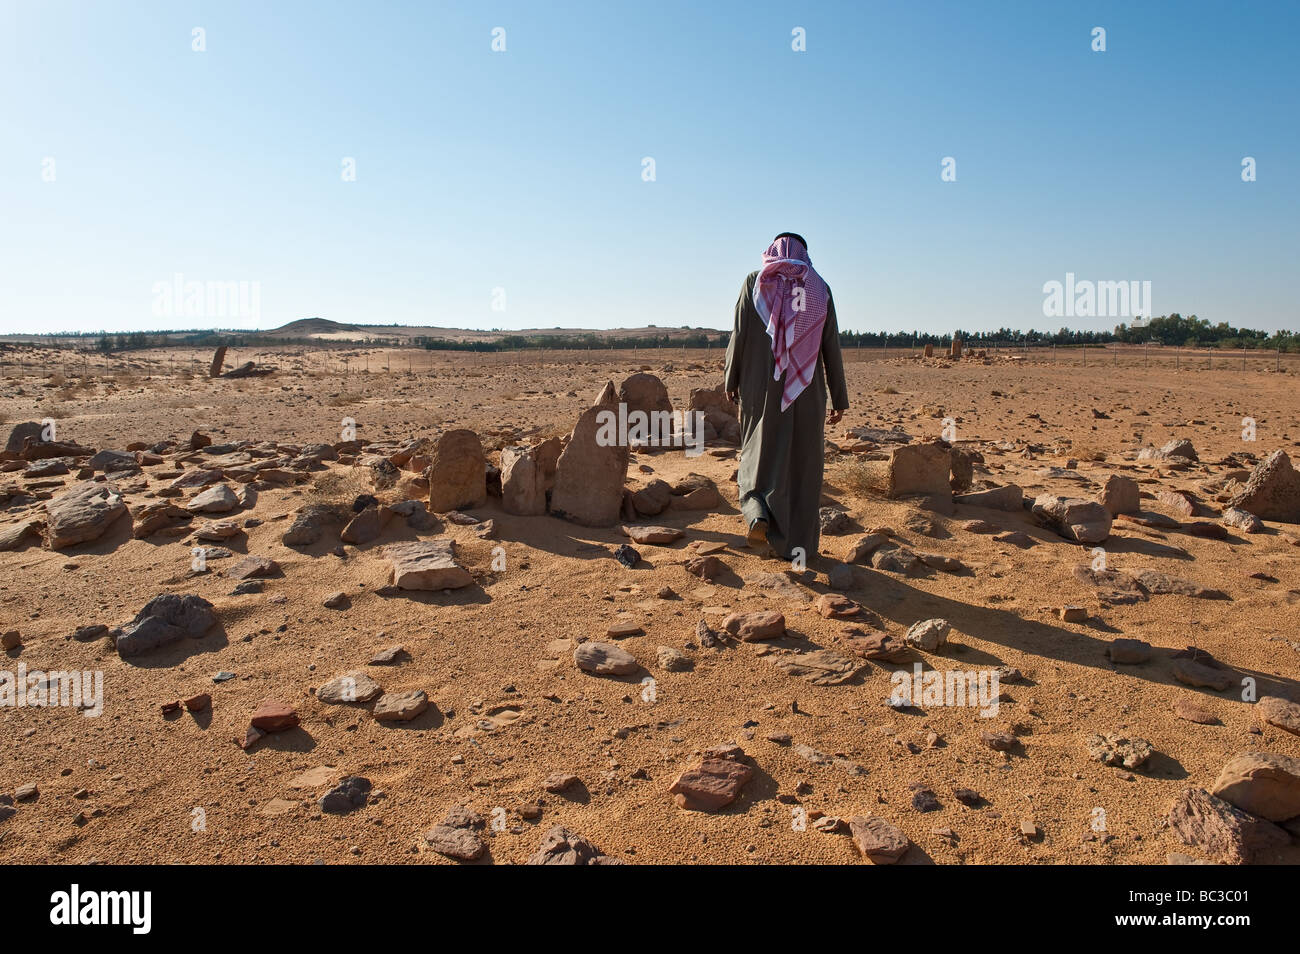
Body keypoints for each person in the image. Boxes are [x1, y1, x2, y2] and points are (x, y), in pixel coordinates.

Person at [724, 232, 849, 560]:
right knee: (802, 467)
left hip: (759, 387)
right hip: (806, 390)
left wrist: (731, 378)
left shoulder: (756, 280)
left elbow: (738, 332)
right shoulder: (819, 288)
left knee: (755, 454)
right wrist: (840, 398)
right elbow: (830, 345)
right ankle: (799, 548)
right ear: (805, 254)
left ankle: (757, 514)